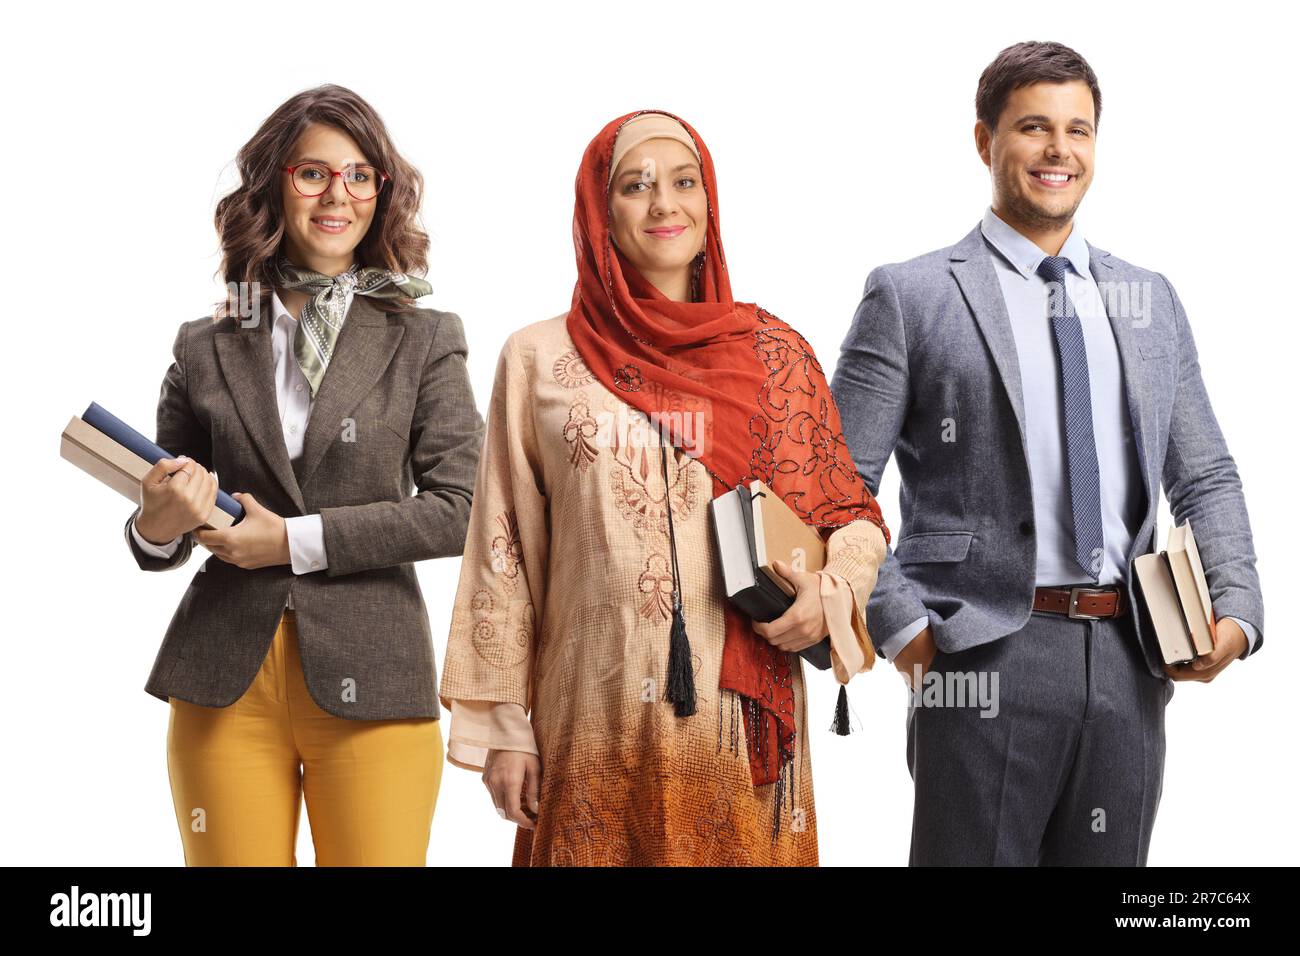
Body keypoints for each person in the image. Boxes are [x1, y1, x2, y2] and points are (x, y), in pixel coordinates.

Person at [830, 41, 1264, 865]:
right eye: (1033, 127)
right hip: (982, 652)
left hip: (1131, 659)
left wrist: (1237, 610)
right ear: (984, 140)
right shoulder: (912, 294)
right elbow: (840, 484)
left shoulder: (1147, 300)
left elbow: (1204, 473)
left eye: (1079, 130)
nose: (1059, 150)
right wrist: (907, 633)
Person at [437, 110, 891, 866]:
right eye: (635, 187)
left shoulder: (772, 355)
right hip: (588, 716)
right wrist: (505, 729)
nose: (663, 205)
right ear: (598, 214)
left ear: (709, 208)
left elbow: (851, 517)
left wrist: (834, 591)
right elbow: (502, 547)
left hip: (734, 721)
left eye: (684, 183)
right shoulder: (538, 358)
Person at [124, 84, 484, 866]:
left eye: (360, 176)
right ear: (273, 185)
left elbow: (464, 507)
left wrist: (295, 540)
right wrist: (156, 525)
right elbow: (169, 512)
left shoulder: (423, 338)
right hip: (223, 678)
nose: (338, 196)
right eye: (312, 174)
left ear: (382, 192)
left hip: (375, 676)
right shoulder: (206, 344)